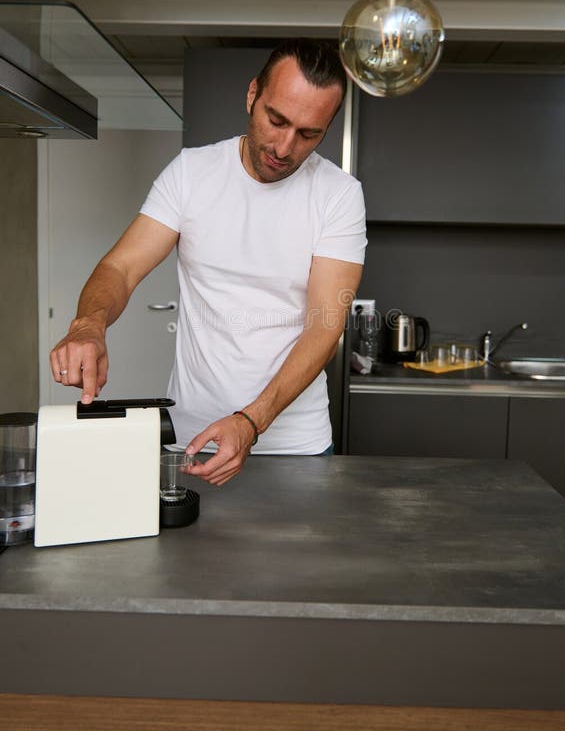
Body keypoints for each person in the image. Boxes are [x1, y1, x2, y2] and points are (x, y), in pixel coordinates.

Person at [50, 39, 367, 485]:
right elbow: (121, 268)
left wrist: (250, 421)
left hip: (295, 446)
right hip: (191, 438)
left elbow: (324, 327)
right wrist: (88, 325)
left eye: (308, 134)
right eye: (276, 120)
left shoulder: (339, 195)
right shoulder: (191, 173)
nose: (284, 146)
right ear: (252, 94)